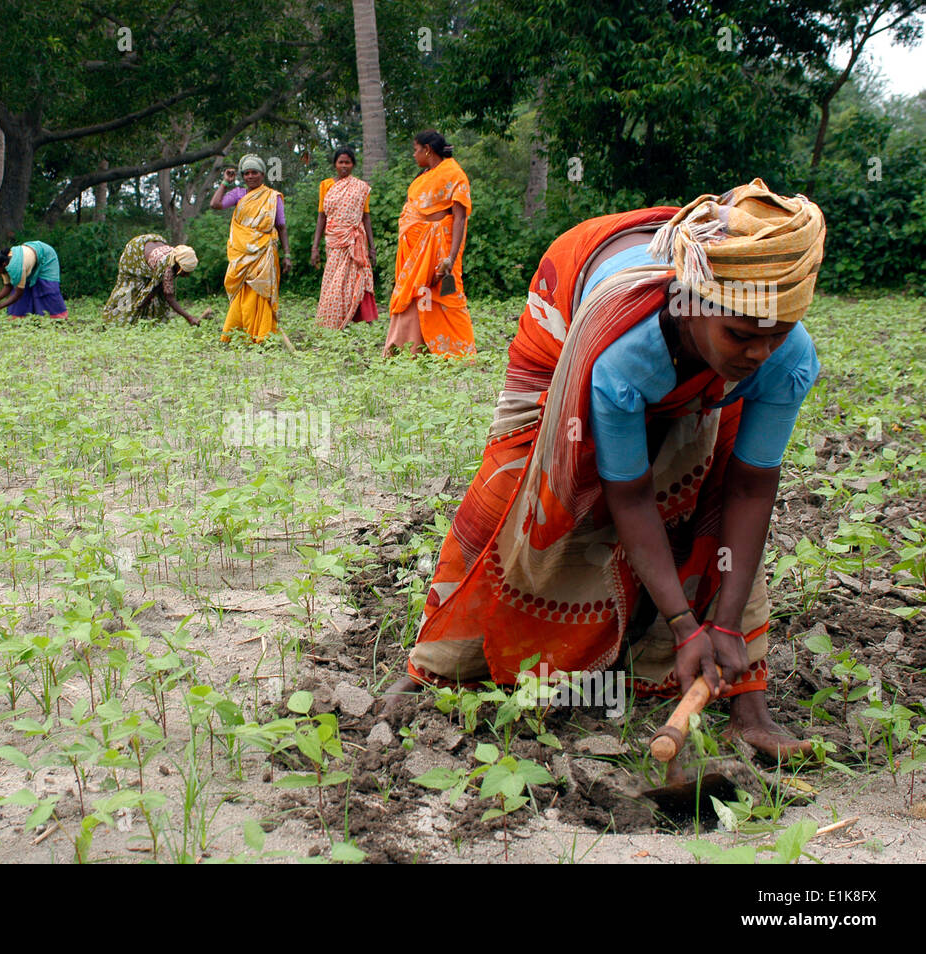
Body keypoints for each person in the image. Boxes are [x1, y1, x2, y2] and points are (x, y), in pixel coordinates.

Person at [382, 179, 826, 761]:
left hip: (666, 344)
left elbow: (749, 486)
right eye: (741, 336)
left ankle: (747, 701)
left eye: (778, 335)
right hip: (568, 318)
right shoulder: (621, 353)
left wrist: (722, 624)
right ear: (695, 306)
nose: (758, 355)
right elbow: (632, 495)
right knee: (526, 494)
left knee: (711, 480)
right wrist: (682, 619)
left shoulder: (780, 353)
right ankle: (444, 663)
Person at [381, 130, 476, 358]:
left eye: (415, 150)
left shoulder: (454, 174)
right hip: (414, 250)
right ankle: (411, 350)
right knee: (415, 296)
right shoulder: (422, 177)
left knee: (445, 295)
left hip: (439, 247)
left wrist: (451, 258)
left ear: (427, 150)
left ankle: (456, 352)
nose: (414, 155)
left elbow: (459, 218)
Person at [210, 153, 291, 344]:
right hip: (241, 253)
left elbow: (281, 226)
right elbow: (215, 204)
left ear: (263, 174)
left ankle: (262, 335)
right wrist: (225, 182)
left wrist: (287, 254)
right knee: (242, 292)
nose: (250, 177)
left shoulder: (272, 197)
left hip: (264, 253)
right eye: (246, 173)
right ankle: (238, 334)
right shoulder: (238, 194)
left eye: (254, 172)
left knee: (261, 292)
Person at [311, 147, 378, 329]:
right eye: (340, 162)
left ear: (353, 165)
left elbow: (366, 217)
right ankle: (335, 317)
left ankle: (364, 318)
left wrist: (372, 247)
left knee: (358, 276)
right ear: (335, 164)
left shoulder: (361, 188)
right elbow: (322, 216)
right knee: (334, 279)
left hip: (355, 239)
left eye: (347, 162)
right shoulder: (326, 186)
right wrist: (315, 247)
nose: (344, 166)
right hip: (334, 238)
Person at [101, 234, 211, 325]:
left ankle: (149, 321)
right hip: (135, 252)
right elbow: (168, 296)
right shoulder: (166, 268)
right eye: (185, 272)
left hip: (152, 242)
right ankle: (115, 319)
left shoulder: (176, 257)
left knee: (155, 292)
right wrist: (189, 317)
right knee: (130, 289)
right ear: (179, 266)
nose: (187, 276)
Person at [0, 240, 69, 319]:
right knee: (23, 288)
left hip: (46, 256)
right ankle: (22, 317)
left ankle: (56, 316)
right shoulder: (4, 263)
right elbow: (8, 286)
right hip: (28, 259)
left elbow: (18, 294)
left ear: (4, 264)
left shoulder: (16, 268)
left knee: (45, 287)